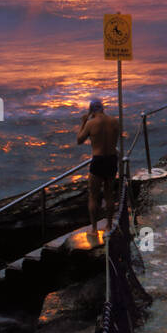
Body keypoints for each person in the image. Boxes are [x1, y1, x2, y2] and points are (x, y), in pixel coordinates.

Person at [76, 98, 120, 234]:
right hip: (112, 159)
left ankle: (94, 229)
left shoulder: (90, 123)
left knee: (93, 196)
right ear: (103, 108)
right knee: (109, 195)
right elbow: (116, 139)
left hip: (98, 160)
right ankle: (108, 225)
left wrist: (83, 122)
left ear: (91, 111)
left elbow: (79, 140)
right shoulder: (114, 121)